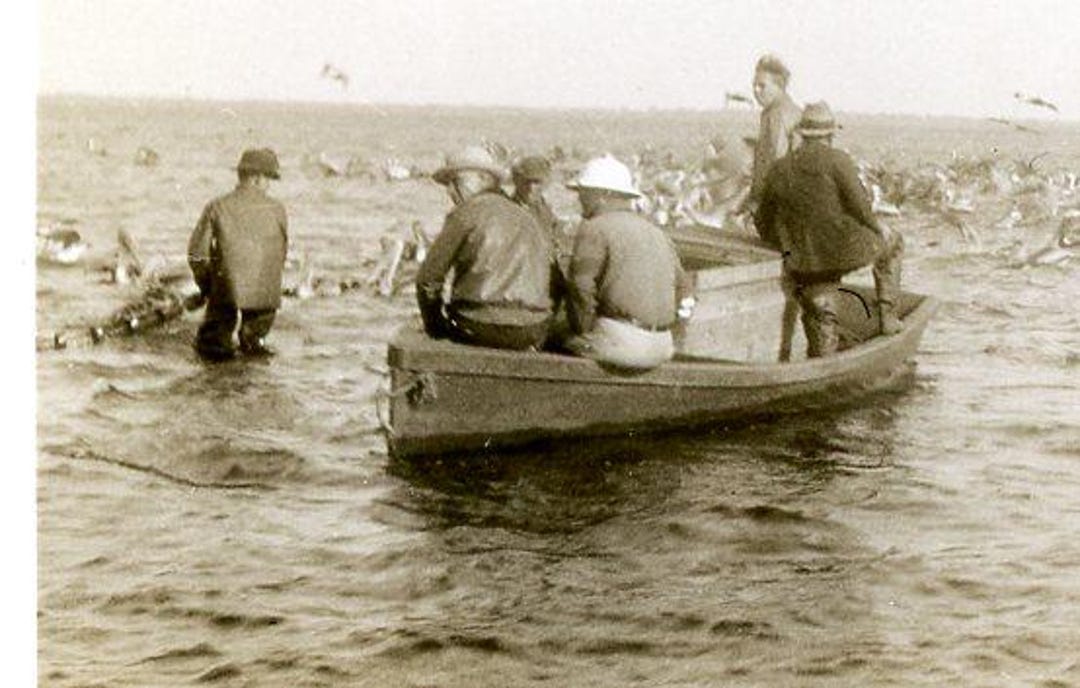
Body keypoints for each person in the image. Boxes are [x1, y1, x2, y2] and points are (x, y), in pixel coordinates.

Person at [755, 102, 905, 358]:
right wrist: (878, 227)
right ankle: (887, 315)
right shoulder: (838, 160)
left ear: (801, 134)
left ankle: (821, 359)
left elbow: (763, 220)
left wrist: (786, 245)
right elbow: (861, 208)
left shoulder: (779, 167)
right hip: (838, 251)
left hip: (801, 259)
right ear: (831, 134)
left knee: (821, 311)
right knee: (895, 242)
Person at [416, 145, 558, 350]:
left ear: (483, 178)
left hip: (480, 324)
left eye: (456, 182)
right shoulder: (526, 215)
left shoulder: (466, 213)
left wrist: (436, 328)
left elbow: (428, 280)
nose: (450, 191)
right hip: (533, 327)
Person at [561, 155, 692, 370]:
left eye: (584, 194)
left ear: (602, 196)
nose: (579, 200)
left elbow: (579, 287)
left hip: (622, 345)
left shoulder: (594, 228)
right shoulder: (656, 232)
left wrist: (587, 331)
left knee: (555, 333)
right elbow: (686, 292)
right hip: (663, 346)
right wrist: (676, 333)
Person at [188, 148, 288, 360]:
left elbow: (197, 254)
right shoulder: (278, 209)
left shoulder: (217, 207)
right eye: (269, 179)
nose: (268, 185)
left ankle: (219, 387)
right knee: (254, 350)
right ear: (257, 178)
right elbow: (281, 254)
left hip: (226, 293)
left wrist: (207, 287)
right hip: (267, 297)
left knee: (212, 350)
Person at [738, 54, 803, 231]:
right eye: (754, 86)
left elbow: (775, 162)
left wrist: (756, 202)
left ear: (779, 87)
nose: (756, 91)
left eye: (762, 86)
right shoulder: (786, 109)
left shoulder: (777, 114)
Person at [510, 155, 571, 269]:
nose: (531, 188)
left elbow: (557, 240)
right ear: (516, 181)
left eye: (537, 182)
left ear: (546, 183)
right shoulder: (507, 211)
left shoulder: (545, 210)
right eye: (526, 182)